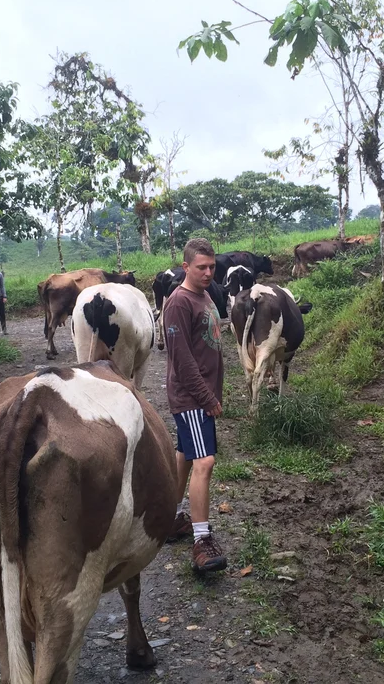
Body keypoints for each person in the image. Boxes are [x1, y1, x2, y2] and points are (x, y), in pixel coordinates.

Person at [163, 237, 227, 572]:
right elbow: (183, 360)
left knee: (185, 456)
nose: (207, 272)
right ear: (185, 266)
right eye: (201, 267)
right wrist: (207, 398)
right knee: (205, 461)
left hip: (200, 394)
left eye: (212, 267)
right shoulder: (178, 302)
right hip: (191, 397)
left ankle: (171, 518)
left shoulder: (205, 295)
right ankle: (201, 541)